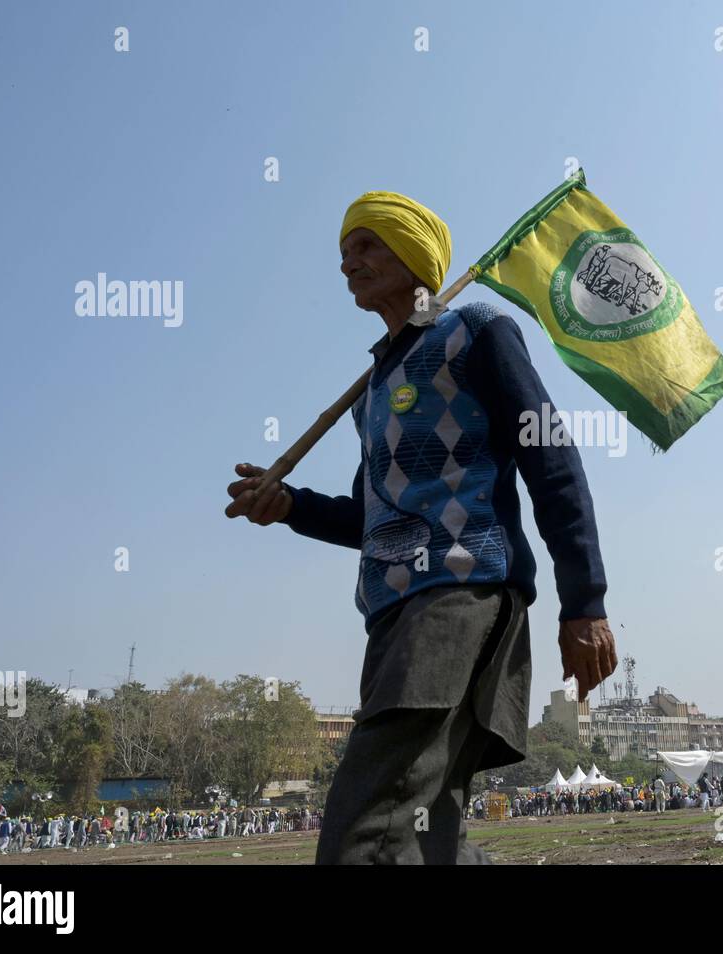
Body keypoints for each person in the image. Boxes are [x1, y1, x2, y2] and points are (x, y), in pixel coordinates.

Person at [226, 190, 616, 865]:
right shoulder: (373, 388)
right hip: (392, 615)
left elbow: (552, 460)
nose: (351, 263)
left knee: (365, 828)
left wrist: (584, 602)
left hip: (459, 597)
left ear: (415, 255)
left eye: (368, 245)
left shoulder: (475, 333)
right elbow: (371, 519)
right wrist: (290, 506)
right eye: (345, 252)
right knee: (434, 839)